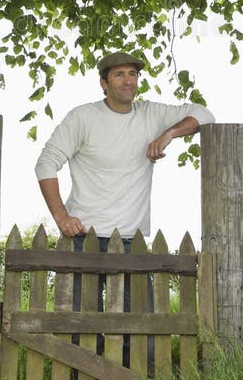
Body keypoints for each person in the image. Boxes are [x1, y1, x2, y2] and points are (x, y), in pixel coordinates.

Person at [35, 50, 216, 240]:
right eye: (119, 74)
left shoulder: (150, 114)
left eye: (132, 74)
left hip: (131, 240)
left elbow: (205, 115)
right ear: (103, 83)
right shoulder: (82, 117)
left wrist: (170, 133)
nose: (128, 81)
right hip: (83, 235)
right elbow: (45, 163)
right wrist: (62, 217)